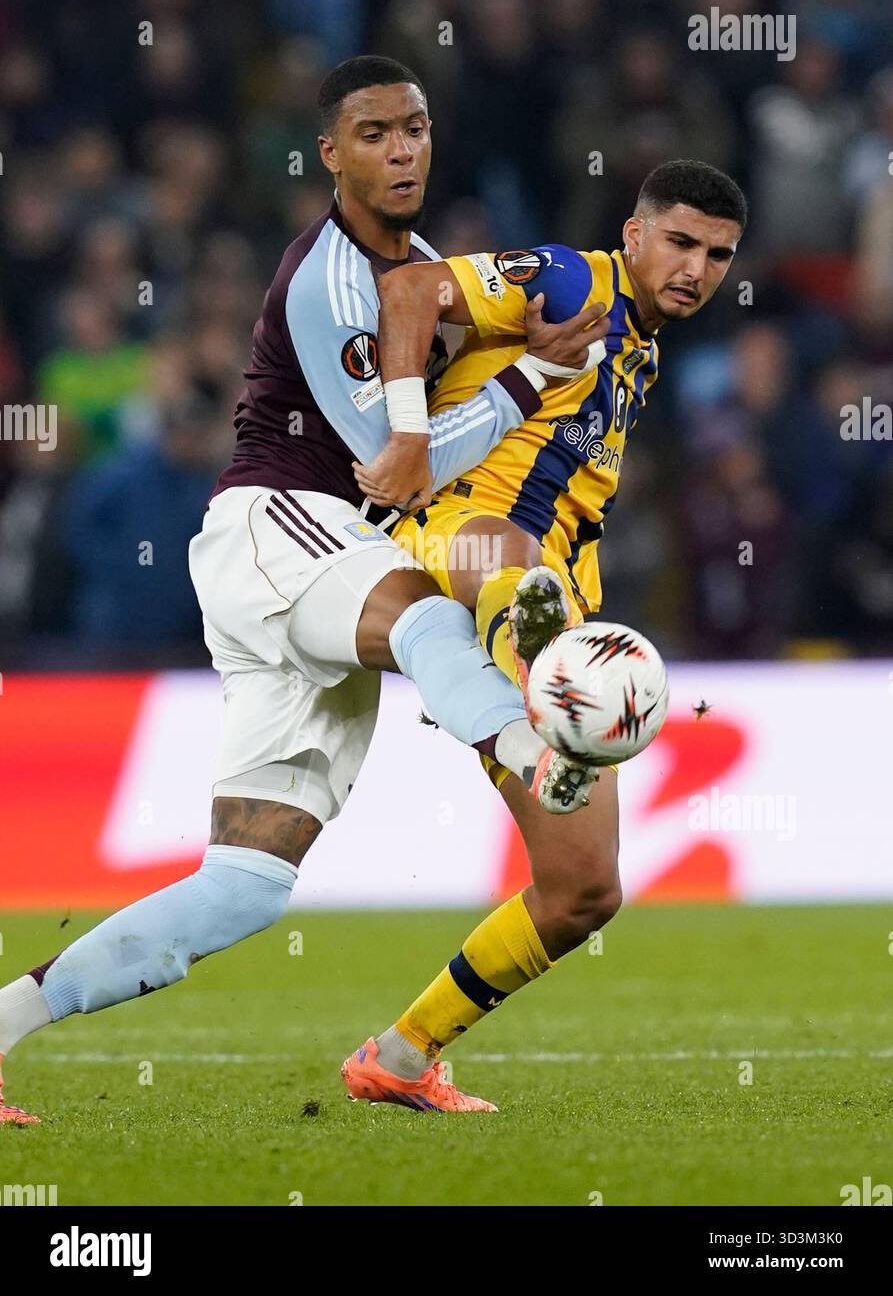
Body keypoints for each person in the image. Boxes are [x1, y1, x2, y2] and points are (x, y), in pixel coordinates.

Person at [0, 55, 608, 1125]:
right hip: (277, 526)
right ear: (330, 154)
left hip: (319, 572)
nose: (404, 148)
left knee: (242, 888)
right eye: (374, 132)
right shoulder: (330, 279)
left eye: (415, 127)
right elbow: (398, 459)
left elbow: (495, 371)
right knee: (423, 607)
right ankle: (528, 750)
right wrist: (529, 379)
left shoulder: (425, 272)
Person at [341, 160, 747, 1112]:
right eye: (679, 242)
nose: (695, 267)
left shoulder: (639, 348)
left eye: (718, 255)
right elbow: (410, 288)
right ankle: (540, 666)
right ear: (635, 232)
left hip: (552, 589)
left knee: (582, 892)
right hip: (460, 537)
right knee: (511, 556)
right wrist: (405, 434)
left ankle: (398, 1057)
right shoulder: (571, 278)